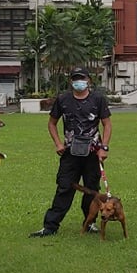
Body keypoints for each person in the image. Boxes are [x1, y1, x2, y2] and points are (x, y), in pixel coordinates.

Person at [30, 68, 112, 238]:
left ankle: (89, 223)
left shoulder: (98, 99)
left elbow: (107, 124)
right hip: (70, 153)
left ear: (88, 80)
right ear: (71, 82)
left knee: (91, 190)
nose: (79, 82)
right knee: (64, 188)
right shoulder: (63, 99)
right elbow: (52, 123)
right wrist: (58, 143)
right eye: (75, 79)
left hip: (92, 152)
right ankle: (50, 226)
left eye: (82, 78)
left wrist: (104, 147)